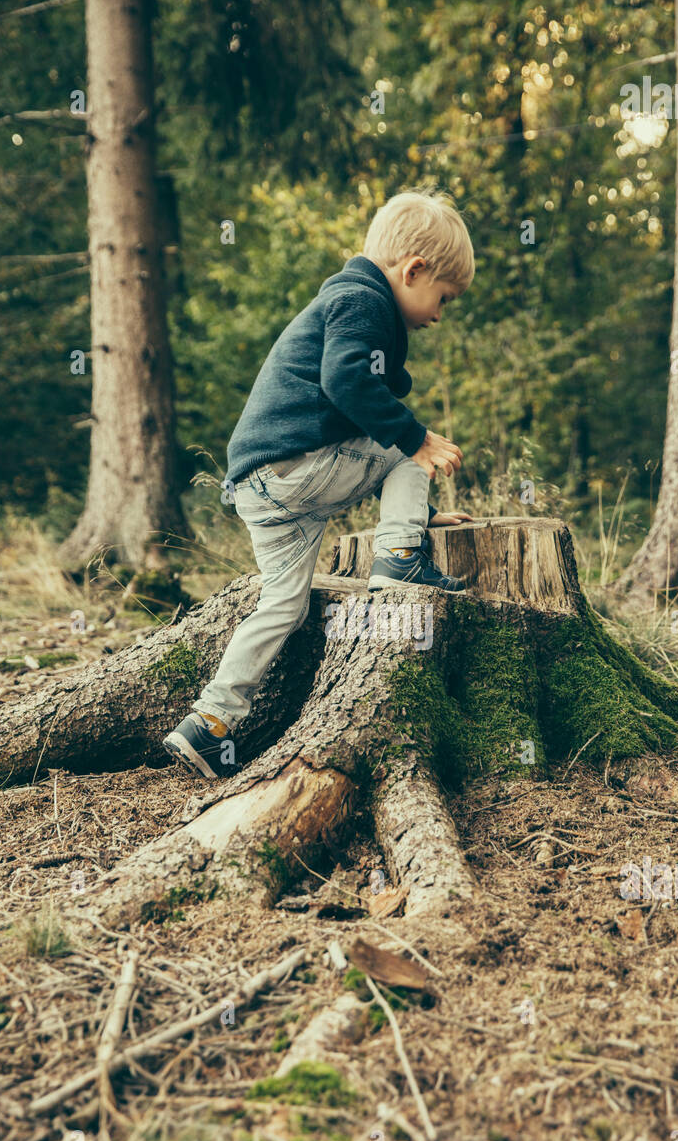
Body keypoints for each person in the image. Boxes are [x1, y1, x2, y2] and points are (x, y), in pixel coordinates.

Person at [164, 188, 476, 780]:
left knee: (281, 606)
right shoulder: (362, 299)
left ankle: (208, 724)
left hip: (263, 486)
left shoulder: (347, 301)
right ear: (413, 270)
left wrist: (419, 509)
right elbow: (345, 383)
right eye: (443, 297)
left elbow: (358, 427)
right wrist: (417, 441)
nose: (440, 314)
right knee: (411, 446)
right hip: (293, 466)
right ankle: (401, 557)